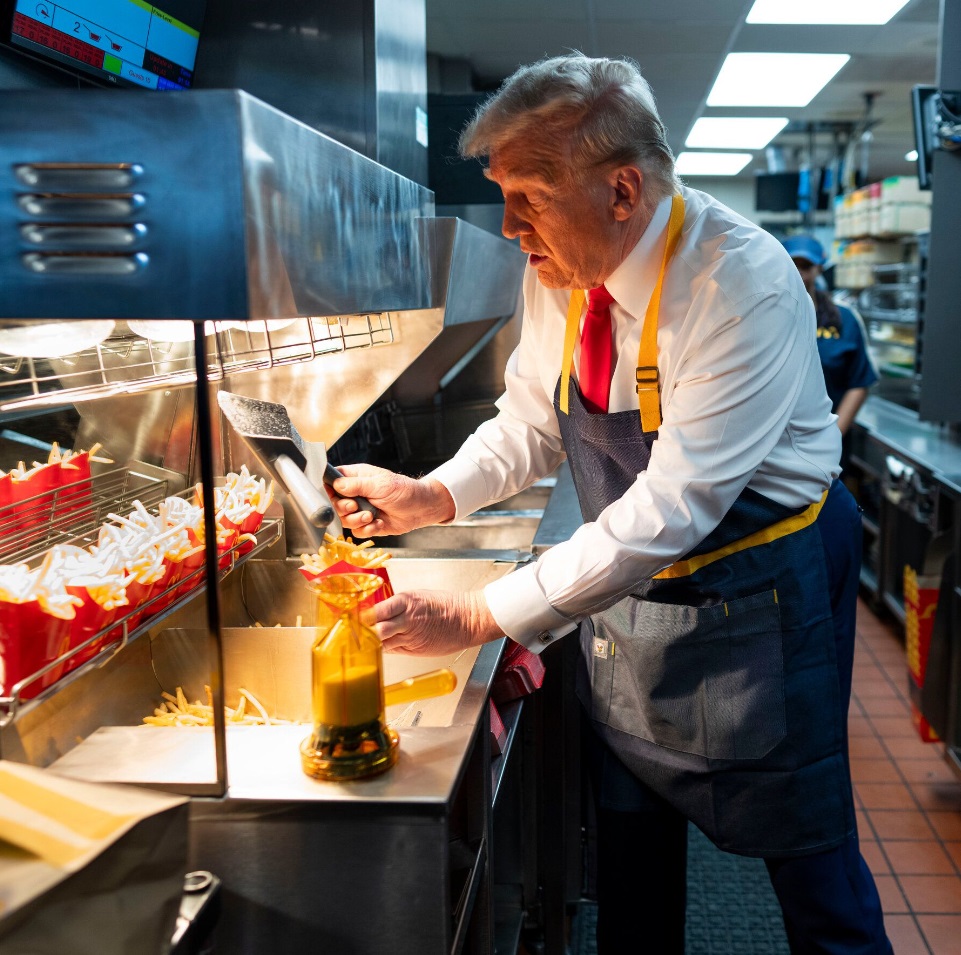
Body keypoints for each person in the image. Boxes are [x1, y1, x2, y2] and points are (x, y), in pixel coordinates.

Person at [328, 54, 893, 955]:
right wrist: (434, 494)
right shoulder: (560, 267)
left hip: (761, 586)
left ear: (621, 190)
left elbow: (675, 503)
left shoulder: (736, 280)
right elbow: (531, 418)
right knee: (631, 856)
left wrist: (480, 614)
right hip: (631, 587)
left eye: (529, 197)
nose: (509, 226)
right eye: (503, 196)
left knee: (808, 856)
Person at [783, 233, 878, 468]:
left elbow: (859, 382)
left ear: (819, 269)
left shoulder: (844, 319)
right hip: (775, 447)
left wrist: (832, 438)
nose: (799, 273)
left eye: (806, 266)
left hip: (828, 449)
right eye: (793, 265)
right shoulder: (768, 316)